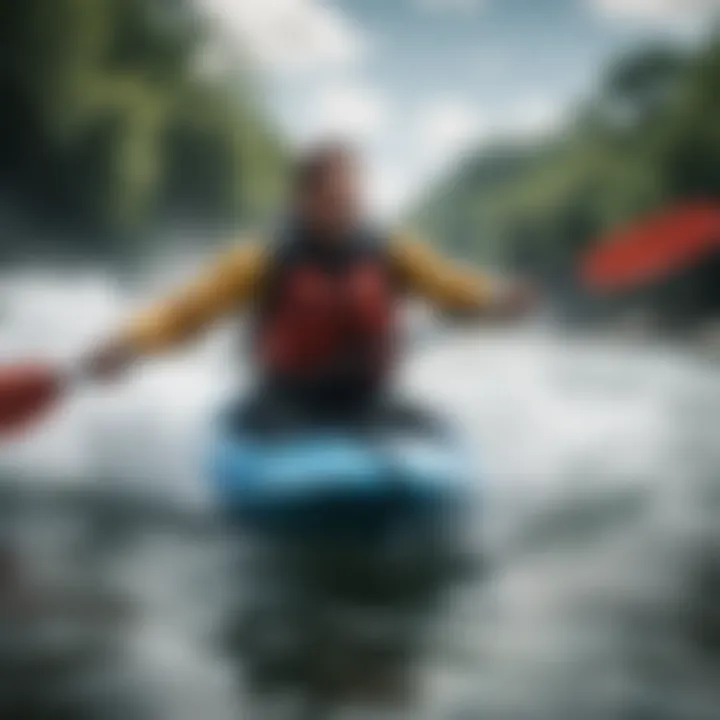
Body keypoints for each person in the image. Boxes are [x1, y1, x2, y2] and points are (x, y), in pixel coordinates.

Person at [84, 141, 535, 430]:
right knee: (250, 420)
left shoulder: (392, 253)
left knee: (436, 427)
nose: (346, 206)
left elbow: (451, 288)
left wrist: (498, 301)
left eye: (352, 195)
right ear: (302, 199)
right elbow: (185, 315)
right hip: (286, 403)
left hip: (367, 400)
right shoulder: (260, 261)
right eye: (333, 196)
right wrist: (127, 345)